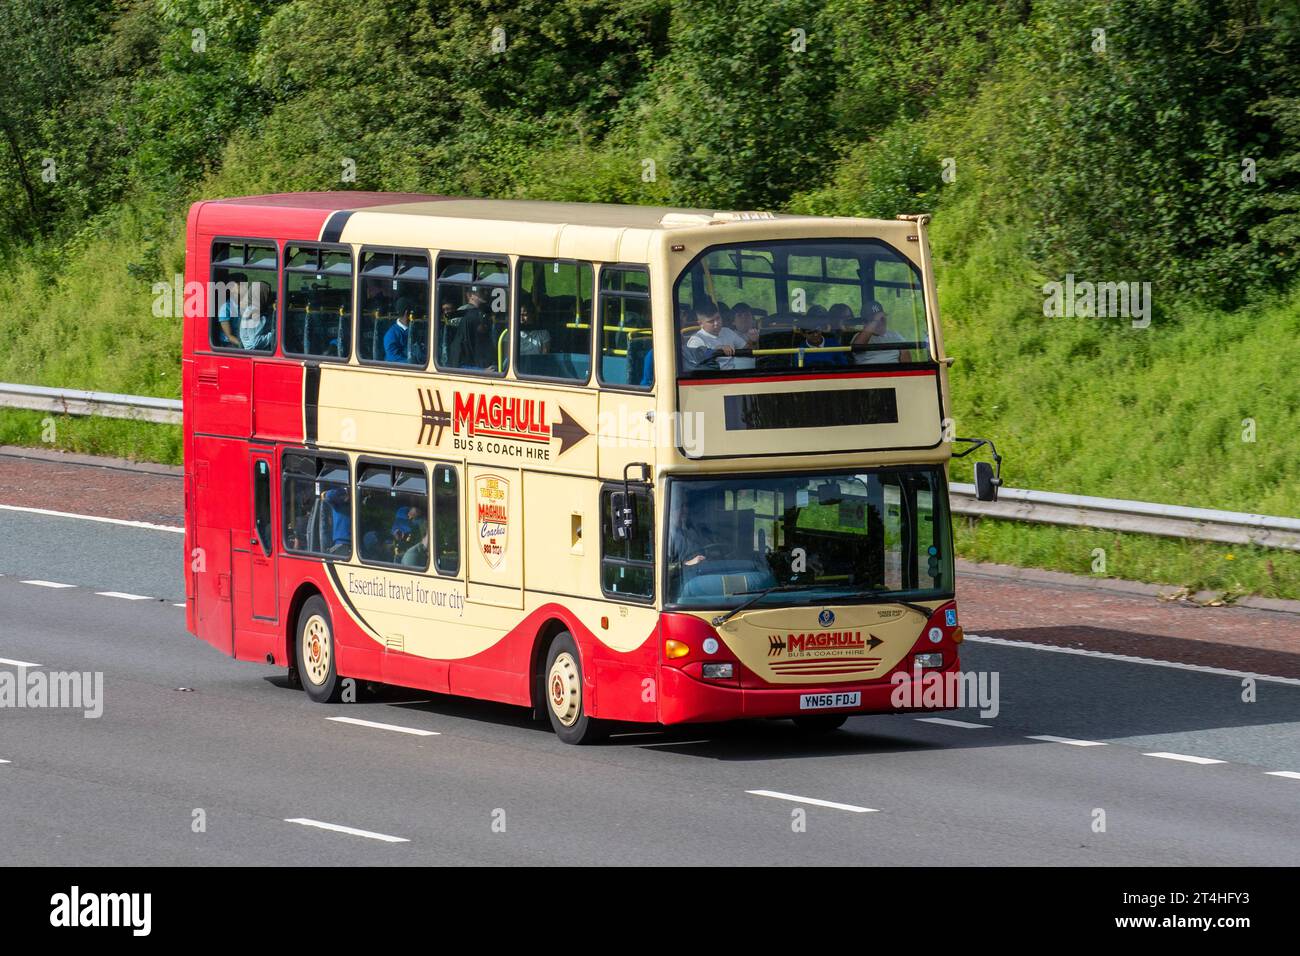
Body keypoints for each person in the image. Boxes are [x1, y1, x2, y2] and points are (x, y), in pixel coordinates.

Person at [683, 301, 748, 371]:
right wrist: (716, 350)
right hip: (714, 376)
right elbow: (698, 360)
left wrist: (753, 340)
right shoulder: (696, 340)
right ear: (700, 324)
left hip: (736, 373)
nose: (716, 323)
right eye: (711, 321)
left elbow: (746, 349)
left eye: (718, 318)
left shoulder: (727, 331)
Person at [451, 285, 498, 369]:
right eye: (482, 291)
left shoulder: (487, 314)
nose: (486, 293)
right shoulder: (463, 316)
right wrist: (481, 372)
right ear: (470, 295)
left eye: (487, 290)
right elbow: (457, 356)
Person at [383, 298, 425, 364]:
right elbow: (392, 358)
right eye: (413, 312)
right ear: (406, 313)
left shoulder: (416, 330)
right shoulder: (391, 335)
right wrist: (411, 363)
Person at [238, 280, 275, 351]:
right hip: (255, 352)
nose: (270, 297)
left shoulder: (254, 308)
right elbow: (255, 342)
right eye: (268, 294)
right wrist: (275, 334)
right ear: (261, 295)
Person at [216, 272, 247, 347]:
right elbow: (229, 336)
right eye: (241, 284)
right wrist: (244, 346)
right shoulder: (225, 308)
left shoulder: (246, 304)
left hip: (242, 339)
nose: (245, 287)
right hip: (228, 345)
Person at [320, 486, 351, 555]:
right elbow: (327, 496)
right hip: (342, 542)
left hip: (356, 542)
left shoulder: (357, 503)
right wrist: (344, 490)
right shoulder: (340, 503)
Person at [730, 302, 760, 370]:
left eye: (747, 315)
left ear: (752, 319)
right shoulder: (730, 335)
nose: (744, 318)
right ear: (733, 322)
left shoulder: (761, 332)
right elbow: (746, 353)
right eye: (739, 315)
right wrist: (753, 341)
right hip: (742, 373)